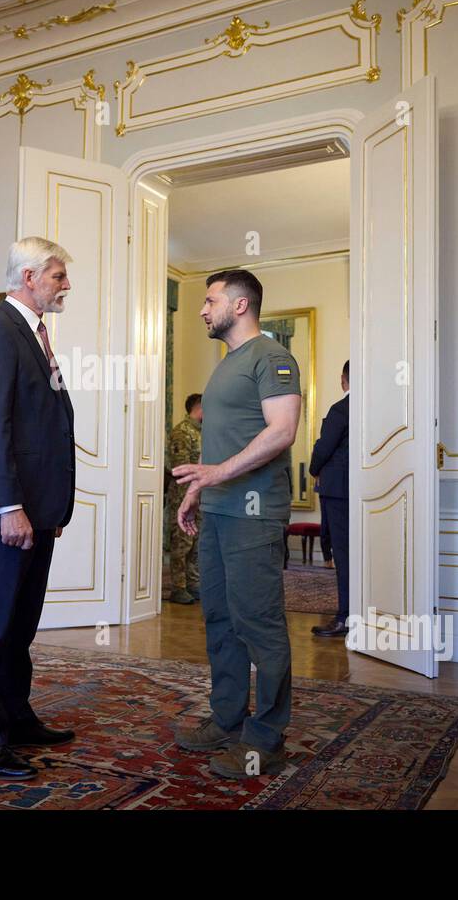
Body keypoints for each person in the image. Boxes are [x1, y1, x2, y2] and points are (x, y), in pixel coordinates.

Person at [0, 237, 78, 778]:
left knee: (19, 627)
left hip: (37, 513)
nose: (64, 284)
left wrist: (41, 509)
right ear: (29, 277)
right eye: (57, 275)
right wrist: (10, 506)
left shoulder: (35, 336)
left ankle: (14, 718)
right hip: (5, 513)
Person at [172, 269, 301, 779]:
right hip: (219, 512)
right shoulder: (227, 365)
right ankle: (227, 720)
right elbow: (223, 444)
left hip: (253, 514)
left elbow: (283, 431)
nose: (203, 310)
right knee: (220, 622)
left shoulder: (272, 357)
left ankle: (266, 739)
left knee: (258, 625)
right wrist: (198, 491)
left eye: (210, 301)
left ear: (240, 305)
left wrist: (218, 474)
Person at [309, 360, 350, 637]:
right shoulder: (376, 408)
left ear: (343, 379)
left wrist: (313, 470)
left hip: (338, 492)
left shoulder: (341, 409)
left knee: (344, 556)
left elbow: (324, 448)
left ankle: (345, 617)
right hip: (367, 491)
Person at [164, 393, 202, 604]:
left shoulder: (201, 433)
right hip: (182, 494)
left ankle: (193, 584)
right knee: (182, 542)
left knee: (195, 541)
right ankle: (178, 587)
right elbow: (180, 468)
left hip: (198, 495)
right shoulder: (182, 432)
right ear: (198, 407)